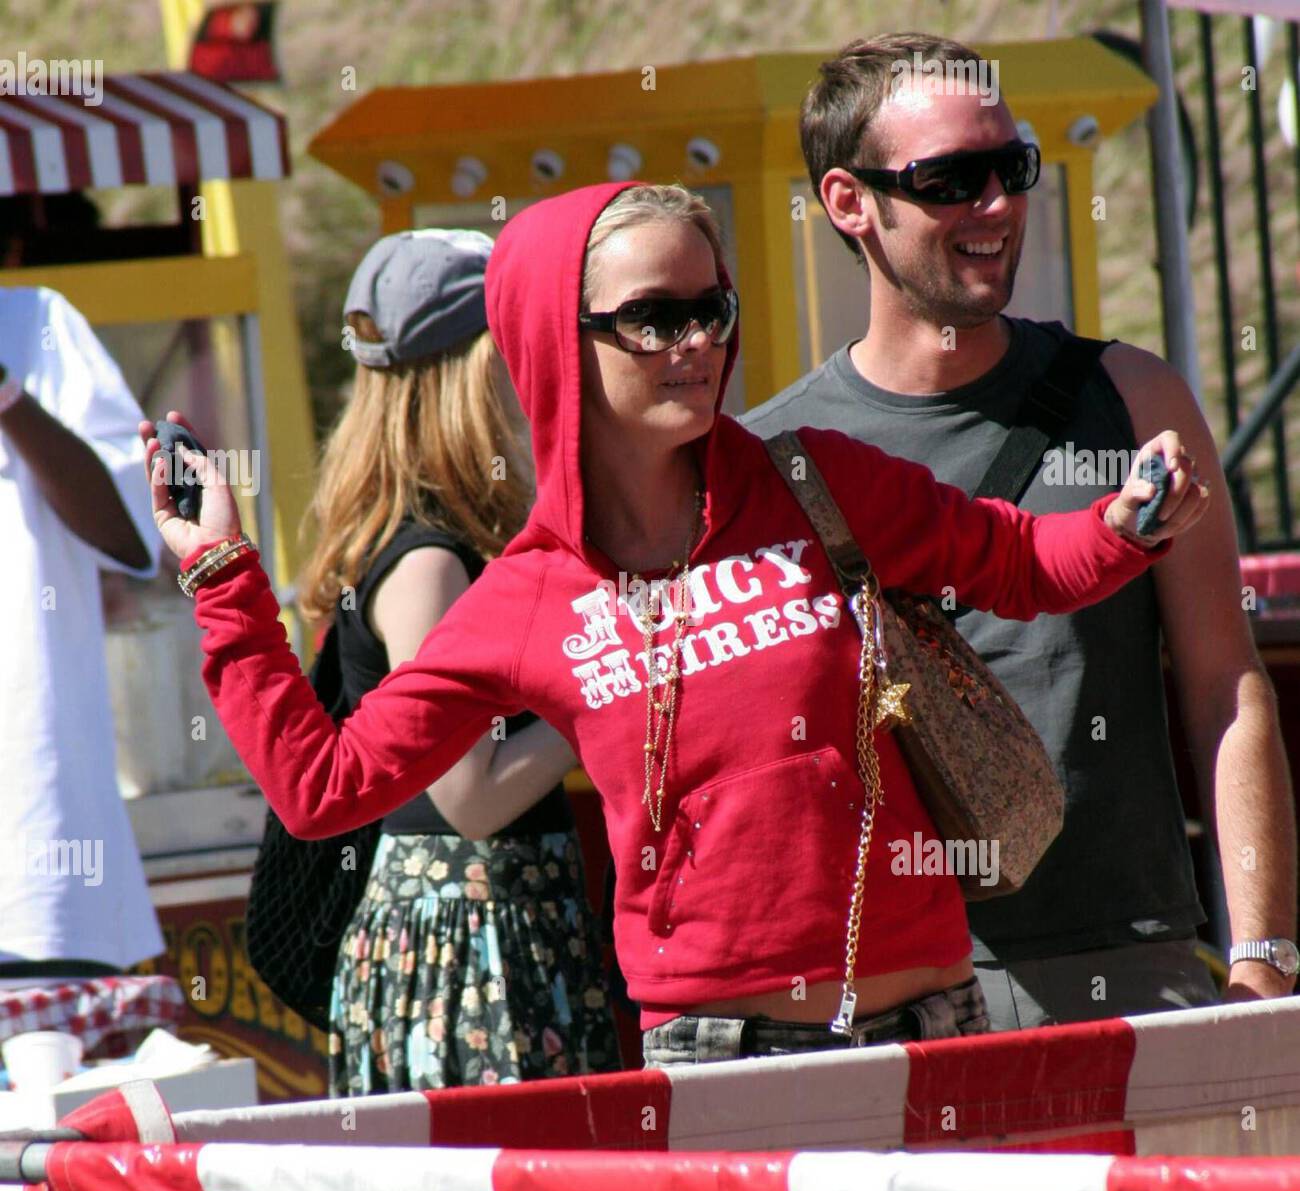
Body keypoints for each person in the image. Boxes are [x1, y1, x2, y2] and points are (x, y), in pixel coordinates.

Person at [141, 181, 1206, 1069]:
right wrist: (223, 573)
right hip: (722, 1056)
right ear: (556, 344)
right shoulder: (527, 593)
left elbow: (1020, 559)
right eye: (653, 317)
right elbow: (322, 787)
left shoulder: (815, 482)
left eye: (713, 309)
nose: (696, 342)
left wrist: (1122, 524)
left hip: (933, 1024)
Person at [743, 32, 1298, 1029]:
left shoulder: (1133, 399)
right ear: (849, 201)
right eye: (951, 179)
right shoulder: (770, 460)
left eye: (1013, 167)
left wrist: (1262, 956)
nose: (997, 204)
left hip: (1124, 964)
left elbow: (1226, 684)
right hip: (879, 993)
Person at [296, 228, 619, 1092]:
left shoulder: (421, 540)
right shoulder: (429, 562)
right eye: (517, 341)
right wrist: (615, 683)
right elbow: (471, 796)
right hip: (478, 944)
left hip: (478, 931)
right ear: (477, 373)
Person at [0, 285, 163, 985]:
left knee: (44, 1051)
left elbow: (131, 534)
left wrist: (9, 397)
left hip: (32, 859)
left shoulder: (34, 321)